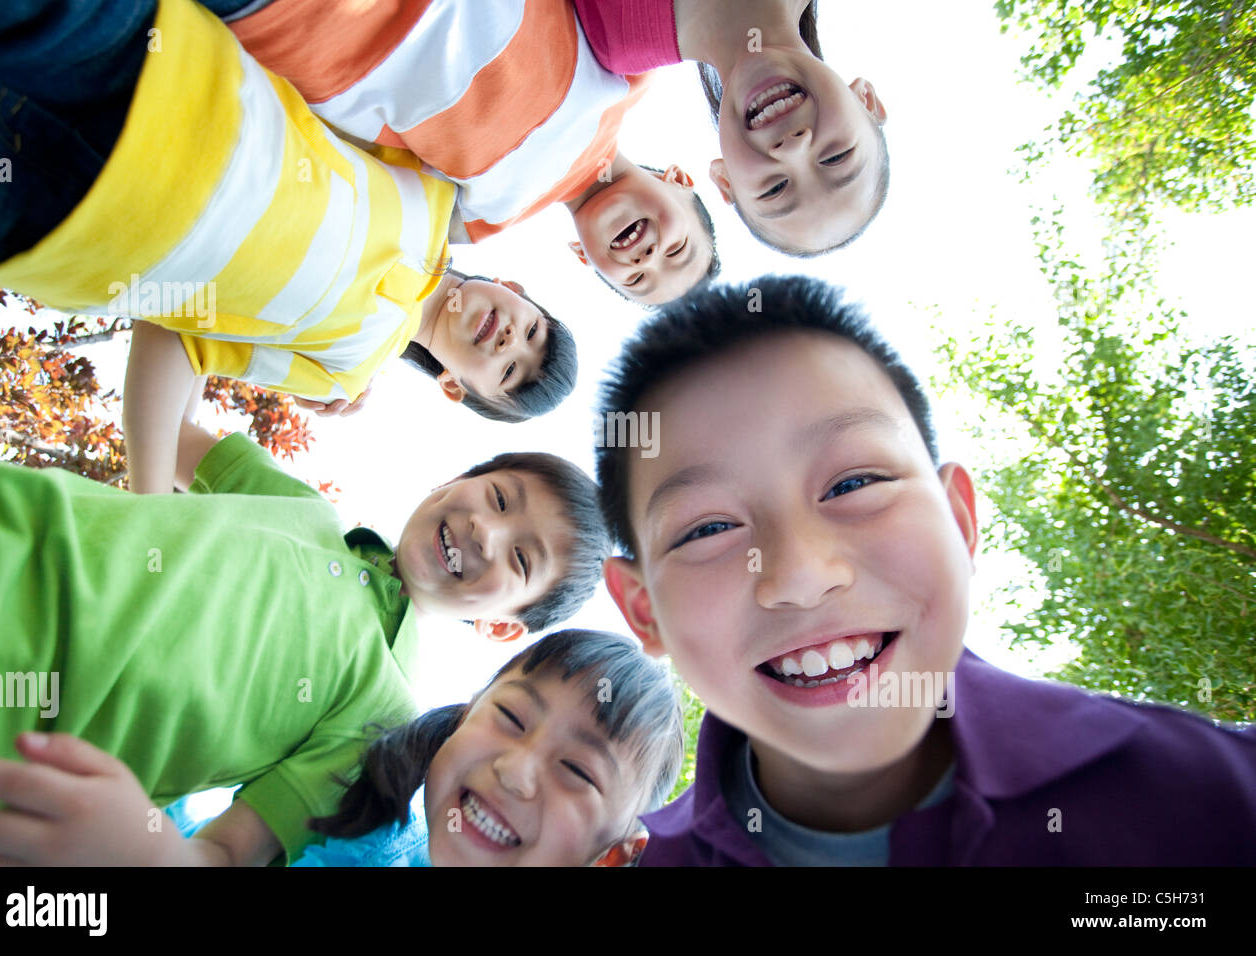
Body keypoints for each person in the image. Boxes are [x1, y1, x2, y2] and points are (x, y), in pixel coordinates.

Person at [593, 274, 1256, 865]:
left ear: (961, 522)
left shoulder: (1213, 796)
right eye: (708, 529)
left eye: (853, 483)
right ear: (643, 609)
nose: (800, 574)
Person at [0, 0, 577, 493]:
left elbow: (179, 336)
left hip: (57, 229)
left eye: (509, 372)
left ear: (454, 388)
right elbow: (327, 73)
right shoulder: (437, 190)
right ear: (517, 292)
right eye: (532, 332)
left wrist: (144, 506)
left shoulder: (343, 371)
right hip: (153, 65)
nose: (509, 342)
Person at [0, 419, 610, 866]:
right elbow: (171, 402)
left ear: (502, 625)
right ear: (452, 484)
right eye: (498, 498)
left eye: (521, 560)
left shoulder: (378, 721)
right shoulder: (301, 505)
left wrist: (134, 850)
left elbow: (222, 853)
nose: (485, 531)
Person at [217, 0, 719, 306]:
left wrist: (351, 369)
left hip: (298, 31)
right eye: (677, 251)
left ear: (583, 260)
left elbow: (364, 223)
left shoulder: (480, 223)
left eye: (636, 279)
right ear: (680, 179)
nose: (649, 259)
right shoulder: (628, 76)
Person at [294, 629, 684, 867]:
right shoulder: (361, 838)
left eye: (577, 770)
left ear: (613, 856)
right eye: (511, 718)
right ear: (465, 716)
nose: (515, 771)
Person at [575, 0, 889, 256]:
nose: (792, 148)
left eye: (775, 188)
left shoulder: (616, 40)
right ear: (866, 100)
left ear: (725, 181)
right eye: (836, 157)